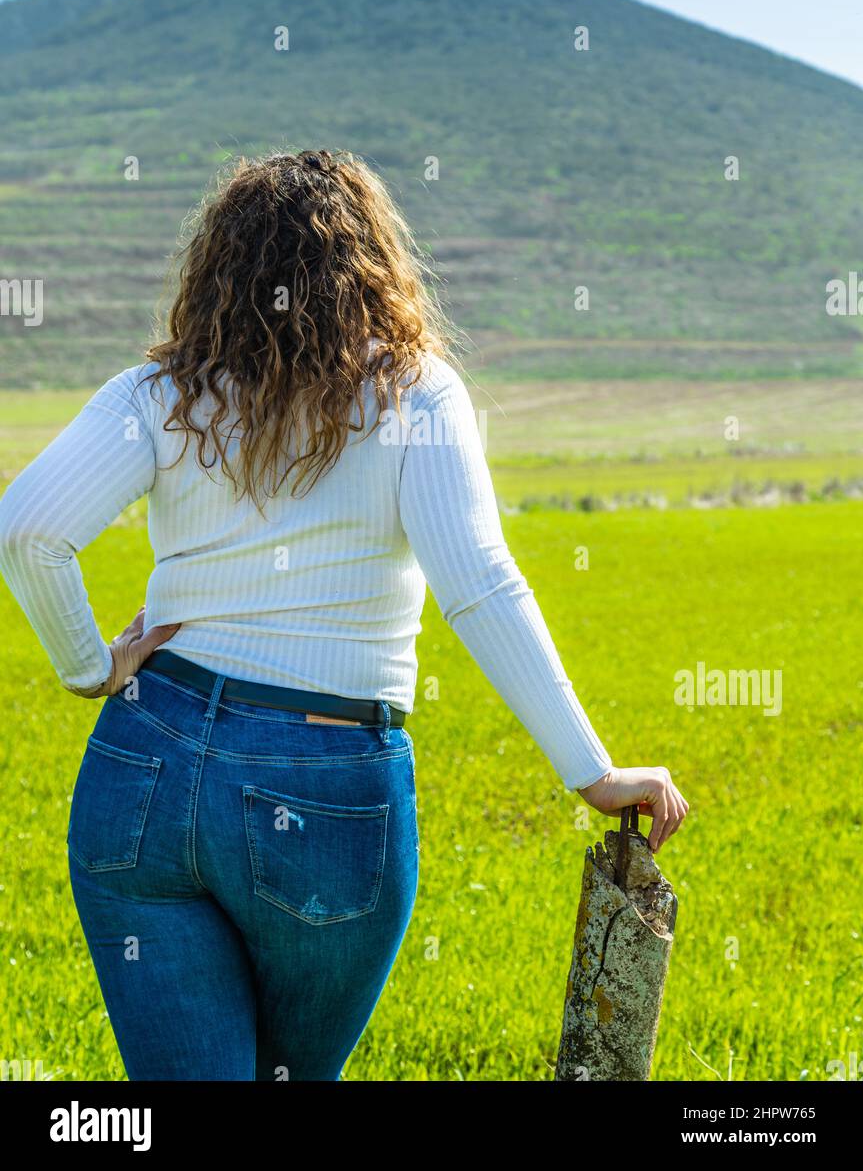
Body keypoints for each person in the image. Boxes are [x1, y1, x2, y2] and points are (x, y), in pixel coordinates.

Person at [0, 149, 688, 1081]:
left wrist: (90, 668)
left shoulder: (160, 394)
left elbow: (28, 532)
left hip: (144, 767)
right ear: (374, 261)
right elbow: (479, 584)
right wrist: (592, 772)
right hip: (323, 786)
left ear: (219, 267)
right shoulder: (418, 394)